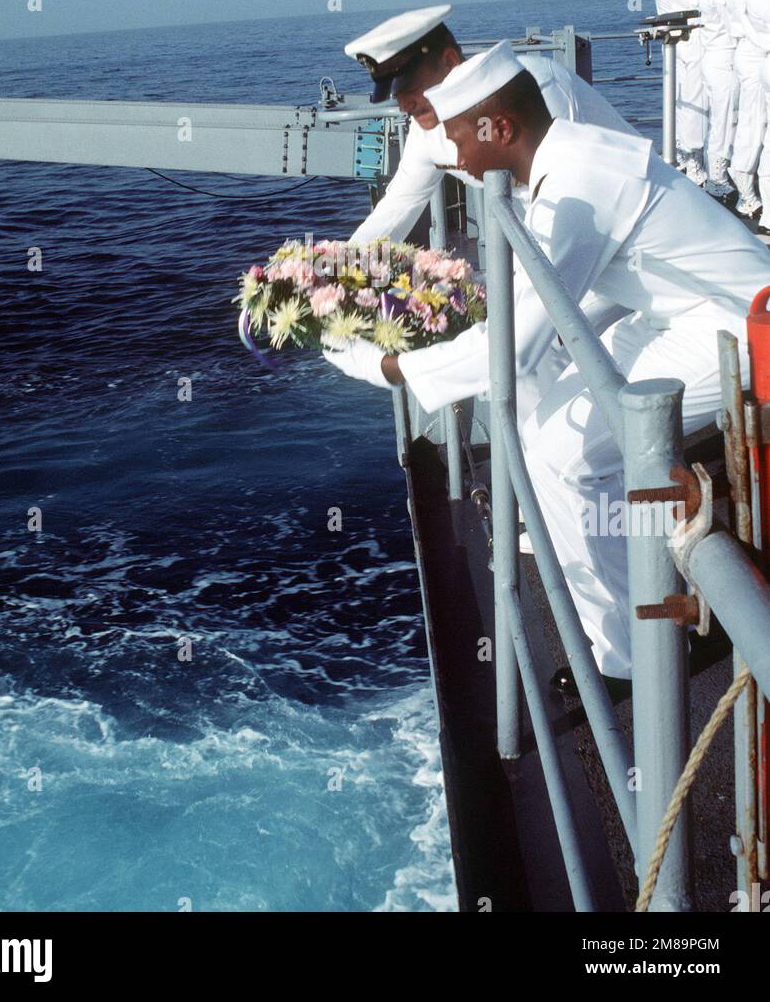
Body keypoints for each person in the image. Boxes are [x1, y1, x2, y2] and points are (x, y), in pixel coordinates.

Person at [324, 39, 770, 679]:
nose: (458, 160)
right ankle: (649, 594)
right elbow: (530, 318)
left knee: (565, 453)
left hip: (741, 322)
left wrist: (383, 367)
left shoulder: (578, 186)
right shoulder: (560, 163)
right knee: (543, 431)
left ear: (500, 126)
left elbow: (516, 340)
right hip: (681, 311)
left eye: (459, 141)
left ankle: (638, 654)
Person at [343, 6, 634, 247]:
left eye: (412, 89)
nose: (404, 106)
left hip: (624, 232)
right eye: (397, 96)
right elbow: (396, 208)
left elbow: (574, 210)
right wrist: (333, 270)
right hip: (554, 248)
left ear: (450, 60)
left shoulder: (535, 91)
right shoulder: (426, 131)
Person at [680, 0, 736, 197]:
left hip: (706, 59)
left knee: (711, 120)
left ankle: (712, 174)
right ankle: (718, 179)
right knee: (724, 122)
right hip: (723, 56)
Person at [729, 0, 770, 220]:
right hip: (758, 58)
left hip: (751, 56)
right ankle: (750, 196)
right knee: (755, 128)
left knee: (753, 128)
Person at [666, 0, 708, 184]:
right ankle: (695, 166)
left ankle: (683, 157)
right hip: (695, 44)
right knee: (695, 105)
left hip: (680, 46)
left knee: (683, 103)